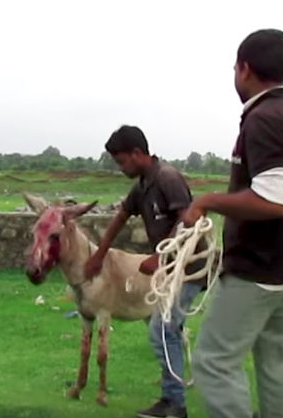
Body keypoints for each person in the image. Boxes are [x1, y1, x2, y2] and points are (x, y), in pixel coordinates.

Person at [182, 29, 283, 418]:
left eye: (235, 66)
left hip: (256, 270)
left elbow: (274, 200)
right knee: (274, 360)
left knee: (213, 360)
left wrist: (208, 200)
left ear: (244, 69)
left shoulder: (264, 118)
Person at [84, 125, 207, 418]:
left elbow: (188, 221)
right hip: (169, 269)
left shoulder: (168, 178)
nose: (120, 168)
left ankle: (174, 403)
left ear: (138, 154)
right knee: (168, 330)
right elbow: (121, 216)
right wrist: (99, 254)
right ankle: (171, 398)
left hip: (188, 268)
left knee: (161, 329)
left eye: (122, 161)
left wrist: (156, 256)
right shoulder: (143, 184)